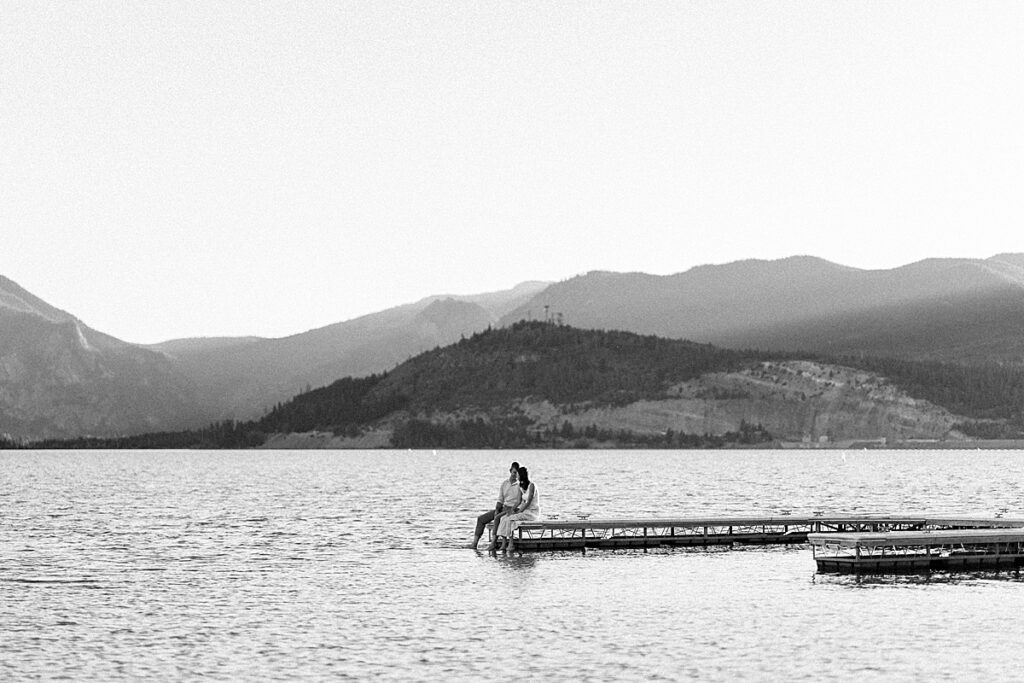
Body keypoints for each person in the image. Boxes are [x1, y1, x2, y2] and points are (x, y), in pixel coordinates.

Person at [468, 462, 522, 550]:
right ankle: (474, 543)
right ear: (510, 471)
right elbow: (500, 499)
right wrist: (497, 508)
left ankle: (493, 542)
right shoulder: (504, 484)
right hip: (503, 508)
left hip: (512, 510)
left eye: (517, 473)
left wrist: (511, 510)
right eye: (514, 472)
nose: (515, 475)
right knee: (481, 519)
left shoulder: (520, 485)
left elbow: (520, 502)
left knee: (498, 518)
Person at [494, 465, 539, 552]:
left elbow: (528, 502)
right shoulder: (521, 486)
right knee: (504, 518)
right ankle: (504, 543)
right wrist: (511, 510)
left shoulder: (532, 485)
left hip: (532, 512)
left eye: (518, 475)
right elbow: (518, 501)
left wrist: (518, 512)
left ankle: (510, 544)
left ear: (521, 475)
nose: (516, 476)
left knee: (510, 519)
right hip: (524, 511)